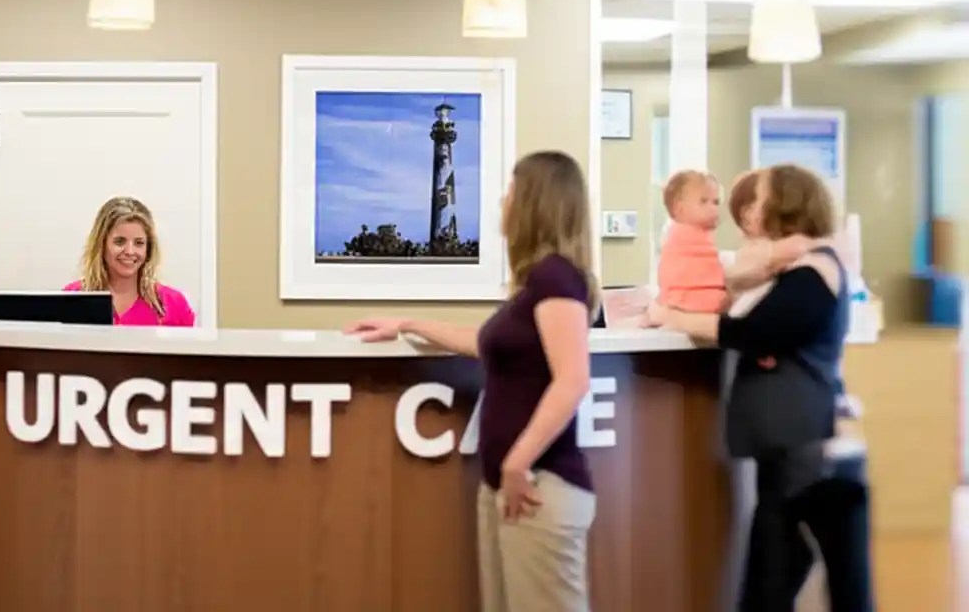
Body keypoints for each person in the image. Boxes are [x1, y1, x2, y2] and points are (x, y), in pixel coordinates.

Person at [346, 150, 599, 612]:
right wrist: (407, 324)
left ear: (534, 204)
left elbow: (572, 379)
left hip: (538, 485)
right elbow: (481, 342)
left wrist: (518, 462)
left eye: (512, 191)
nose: (503, 201)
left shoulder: (556, 278)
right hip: (510, 485)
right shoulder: (534, 285)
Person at [650, 164, 873, 612]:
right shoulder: (793, 269)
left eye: (761, 199)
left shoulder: (814, 272)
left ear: (786, 205)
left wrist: (672, 317)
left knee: (812, 586)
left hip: (808, 460)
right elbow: (740, 292)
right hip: (788, 456)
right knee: (773, 587)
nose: (750, 211)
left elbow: (750, 331)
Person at [64, 196, 196, 327]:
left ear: (148, 248)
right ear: (101, 244)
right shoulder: (71, 299)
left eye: (139, 243)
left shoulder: (175, 305)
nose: (130, 251)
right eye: (119, 242)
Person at [656, 169, 727, 313]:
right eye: (703, 201)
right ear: (679, 208)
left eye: (716, 202)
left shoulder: (702, 234)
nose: (713, 208)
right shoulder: (680, 236)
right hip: (684, 299)